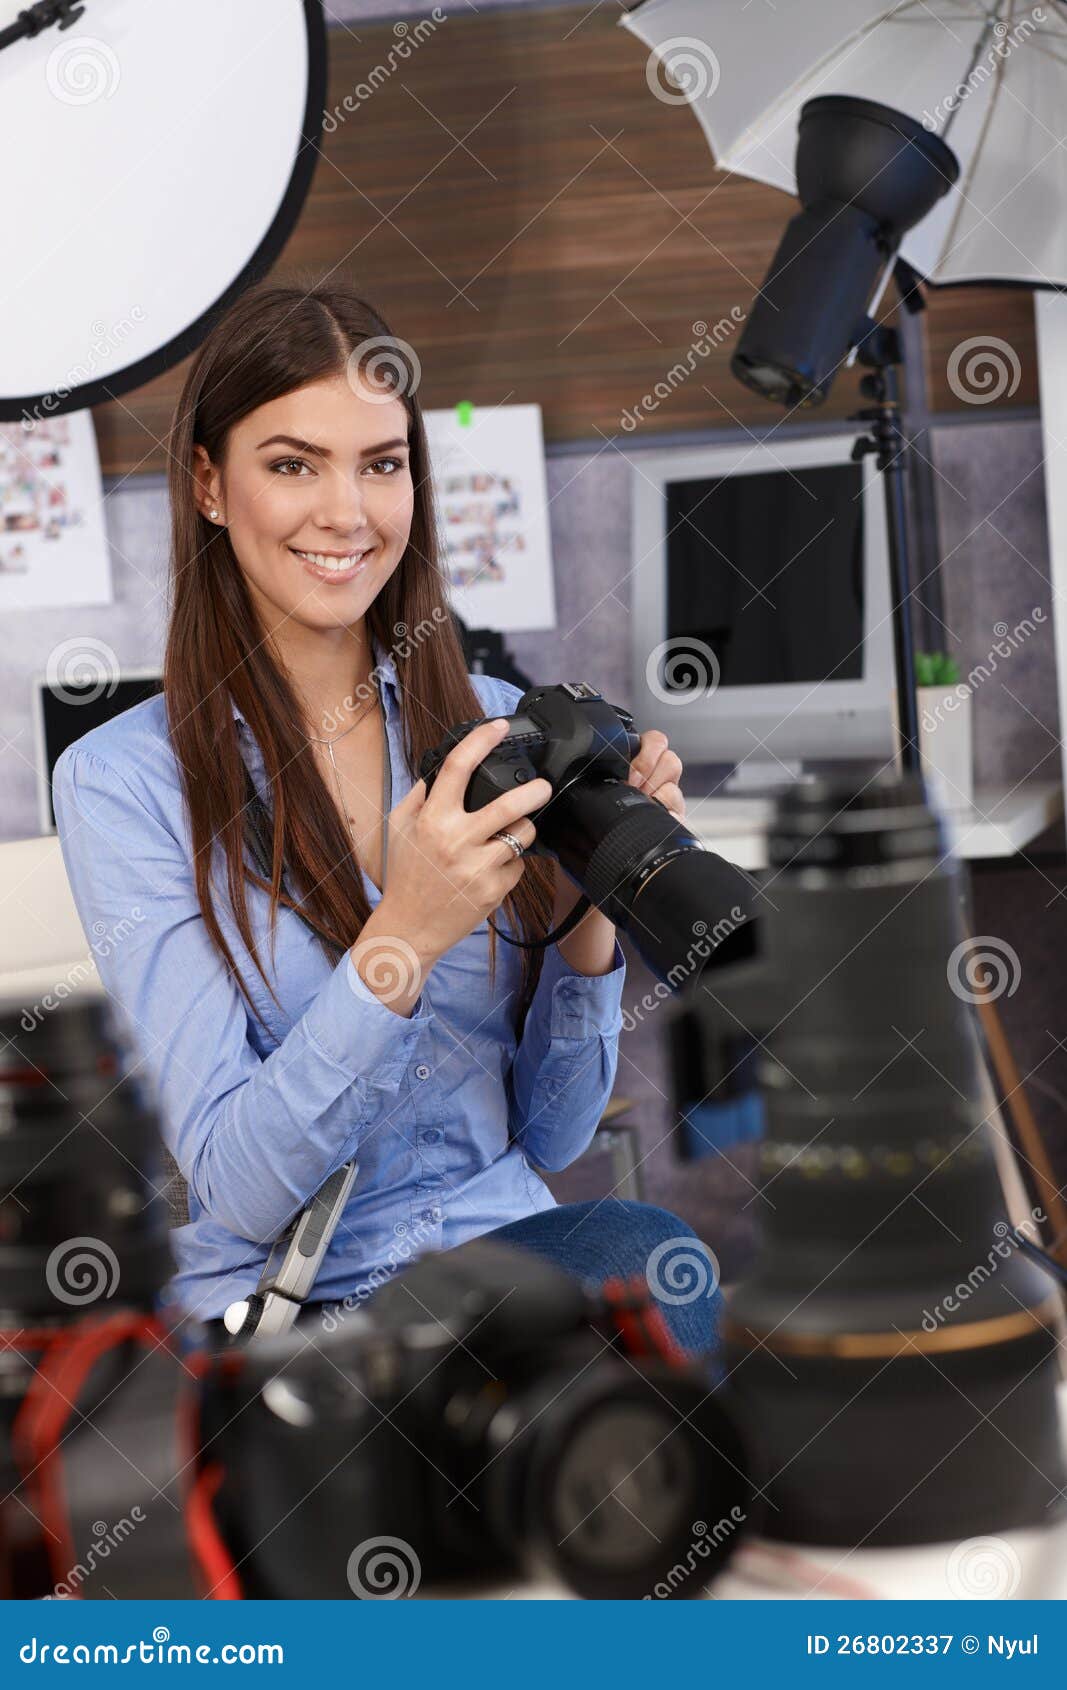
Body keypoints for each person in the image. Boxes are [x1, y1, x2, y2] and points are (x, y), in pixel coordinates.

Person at [52, 282, 721, 1367]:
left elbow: (550, 1137)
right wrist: (402, 938)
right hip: (301, 1316)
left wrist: (590, 913)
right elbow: (239, 1184)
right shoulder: (122, 784)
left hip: (507, 1260)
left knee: (650, 1264)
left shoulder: (491, 725)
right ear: (211, 485)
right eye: (291, 464)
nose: (347, 514)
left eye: (380, 463)